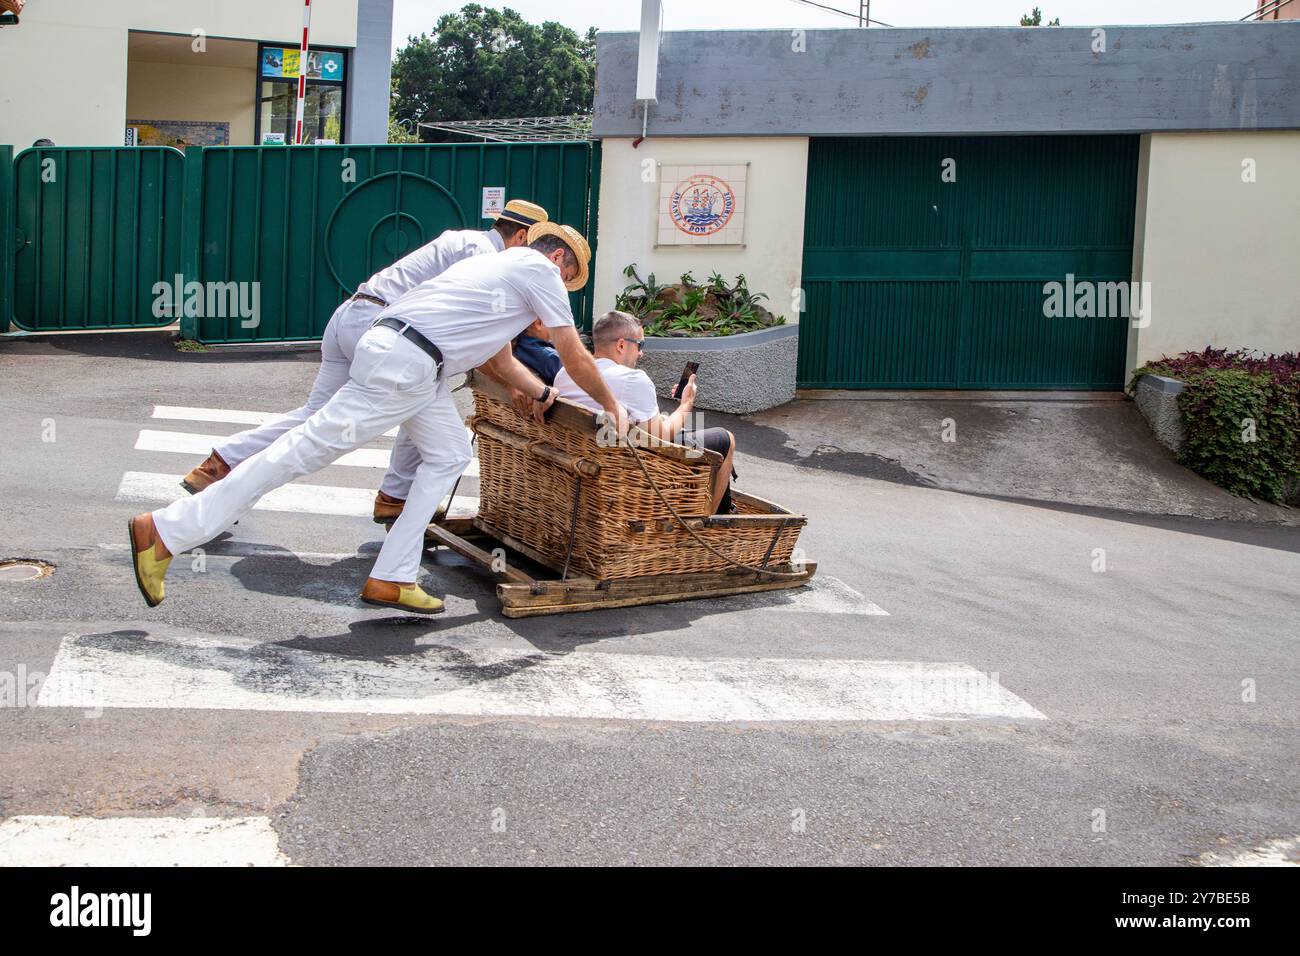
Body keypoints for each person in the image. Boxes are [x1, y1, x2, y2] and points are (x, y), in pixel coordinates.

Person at [128, 224, 627, 615]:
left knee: (449, 453)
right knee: (300, 452)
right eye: (568, 279)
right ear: (559, 258)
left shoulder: (497, 273)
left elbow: (499, 361)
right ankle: (168, 531)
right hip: (406, 364)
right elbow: (573, 353)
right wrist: (611, 404)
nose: (563, 289)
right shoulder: (537, 271)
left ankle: (393, 576)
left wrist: (538, 390)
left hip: (407, 355)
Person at [178, 199, 551, 525]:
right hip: (385, 330)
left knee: (319, 413)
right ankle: (395, 498)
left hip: (352, 314)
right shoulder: (486, 258)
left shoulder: (461, 238)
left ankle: (221, 463)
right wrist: (514, 382)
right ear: (520, 238)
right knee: (422, 397)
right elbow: (474, 331)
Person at [554, 310, 737, 514]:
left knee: (682, 430)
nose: (642, 353)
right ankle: (708, 523)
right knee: (725, 438)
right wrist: (686, 403)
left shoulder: (565, 373)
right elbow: (661, 438)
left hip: (588, 462)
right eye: (640, 345)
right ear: (621, 345)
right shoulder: (633, 379)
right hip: (635, 472)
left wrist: (663, 419)